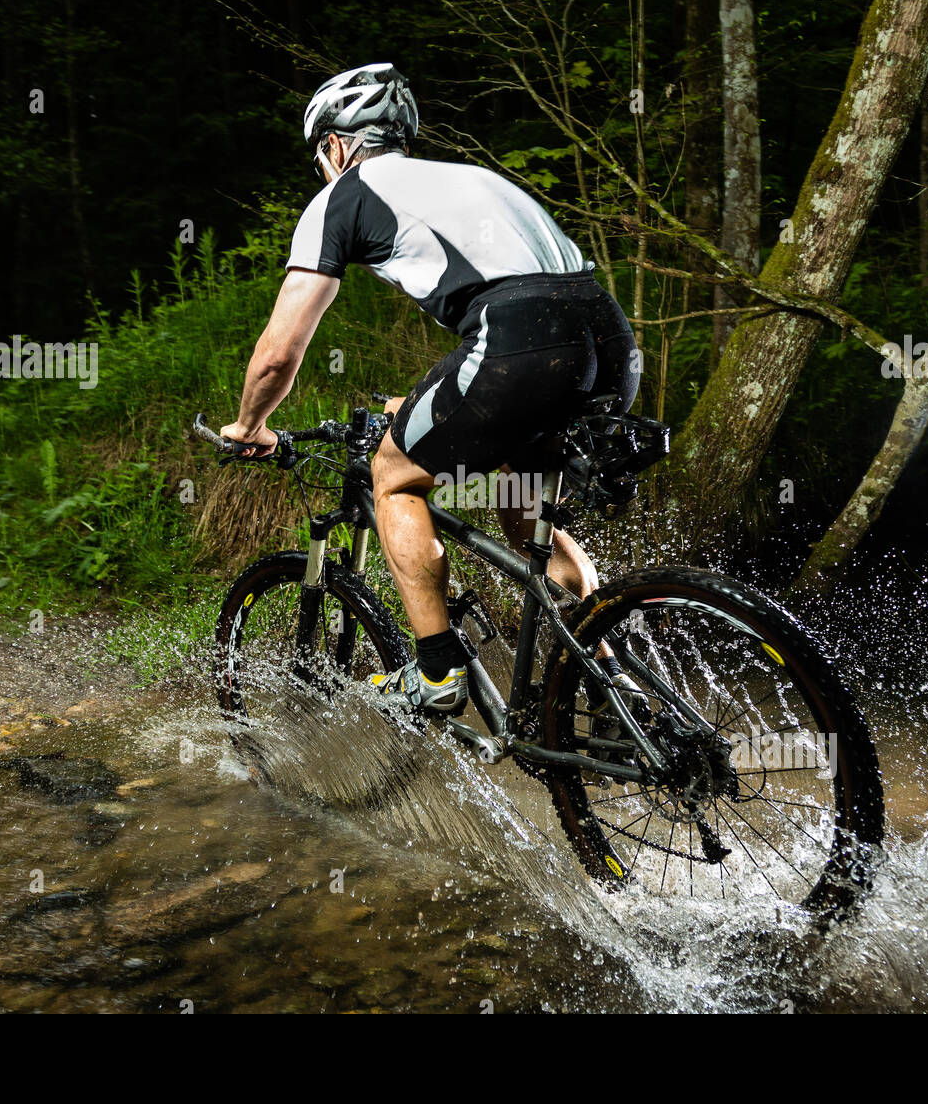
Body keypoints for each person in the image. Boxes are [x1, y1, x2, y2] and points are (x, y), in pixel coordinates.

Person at [221, 63, 639, 717]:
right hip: (608, 338)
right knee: (527, 517)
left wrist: (249, 425)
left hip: (517, 343)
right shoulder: (473, 180)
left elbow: (278, 353)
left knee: (394, 475)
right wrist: (417, 403)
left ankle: (438, 672)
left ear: (334, 145)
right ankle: (615, 690)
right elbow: (528, 297)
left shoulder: (344, 195)